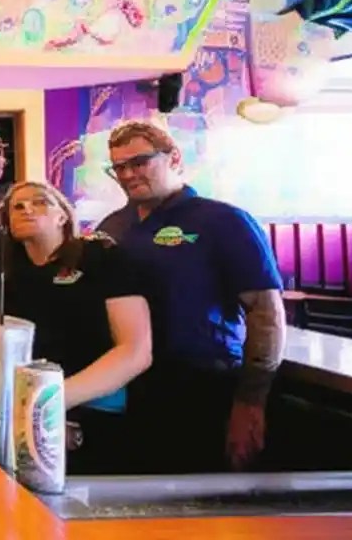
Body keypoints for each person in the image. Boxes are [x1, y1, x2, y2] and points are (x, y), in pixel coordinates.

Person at [95, 120, 285, 473]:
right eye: (118, 167)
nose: (128, 174)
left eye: (139, 162)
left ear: (174, 158)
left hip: (204, 388)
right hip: (127, 388)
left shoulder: (224, 220)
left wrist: (250, 401)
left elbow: (266, 312)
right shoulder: (113, 227)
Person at [0, 180, 152, 474]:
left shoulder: (102, 257)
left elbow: (136, 351)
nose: (26, 209)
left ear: (63, 216)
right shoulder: (5, 276)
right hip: (19, 416)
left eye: (40, 201)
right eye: (17, 207)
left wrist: (50, 403)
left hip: (94, 414)